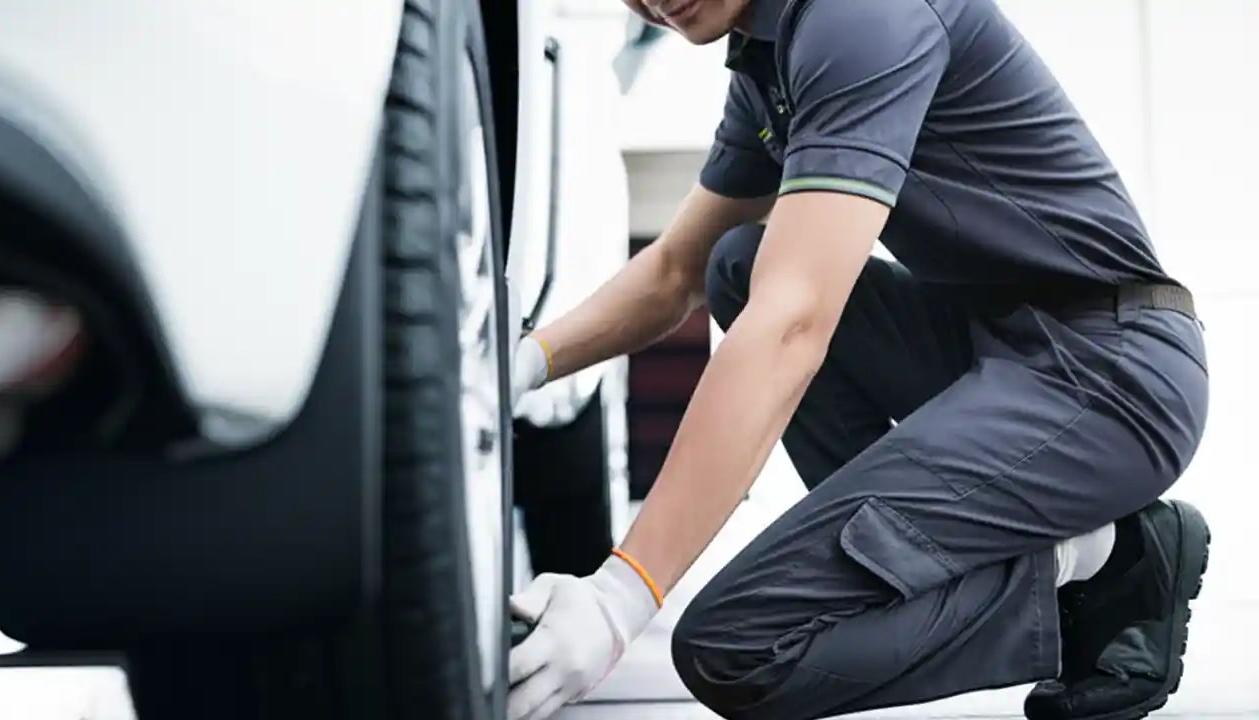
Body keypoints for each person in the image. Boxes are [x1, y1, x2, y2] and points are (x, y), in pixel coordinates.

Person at [506, 1, 1211, 719]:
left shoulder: (862, 14)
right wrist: (517, 366)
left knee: (739, 647)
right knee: (739, 267)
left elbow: (793, 322)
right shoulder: (768, 55)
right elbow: (673, 273)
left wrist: (621, 595)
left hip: (1108, 373)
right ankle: (1036, 554)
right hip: (994, 350)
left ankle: (1105, 560)